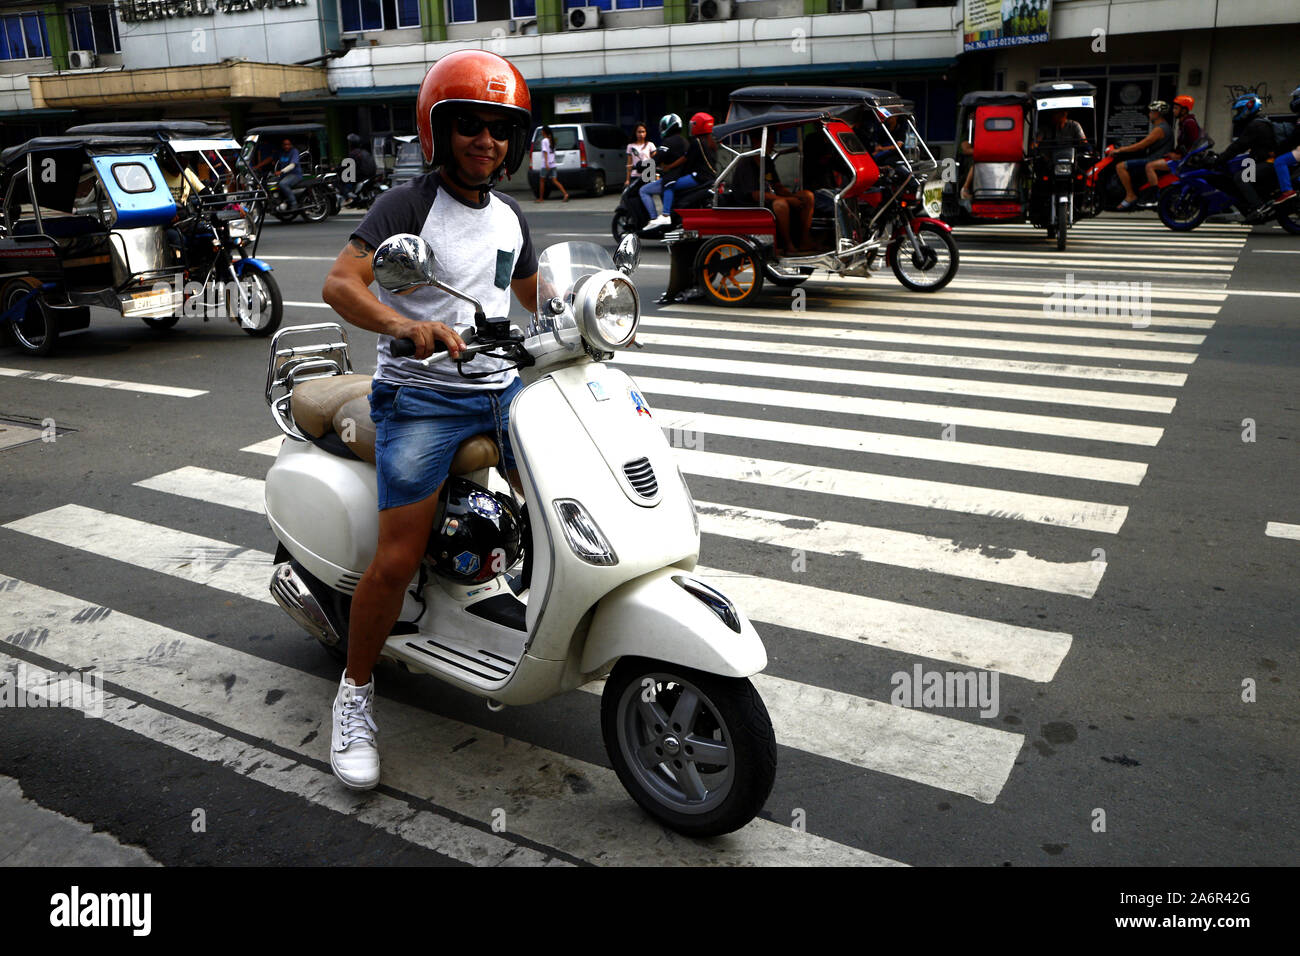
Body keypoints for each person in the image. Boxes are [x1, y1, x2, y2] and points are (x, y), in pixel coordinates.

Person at [319, 49, 538, 791]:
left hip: (502, 388)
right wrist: (401, 324)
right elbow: (340, 283)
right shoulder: (407, 209)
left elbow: (540, 299)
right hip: (423, 395)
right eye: (472, 127)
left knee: (565, 492)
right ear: (438, 133)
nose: (488, 142)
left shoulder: (511, 218)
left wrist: (591, 320)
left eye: (501, 130)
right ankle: (354, 693)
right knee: (397, 557)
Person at [731, 130, 815, 255]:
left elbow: (777, 185)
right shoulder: (746, 162)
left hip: (769, 199)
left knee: (807, 196)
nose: (773, 144)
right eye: (769, 140)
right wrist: (788, 200)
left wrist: (794, 197)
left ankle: (804, 240)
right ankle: (788, 246)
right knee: (780, 204)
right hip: (751, 205)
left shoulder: (767, 161)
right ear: (756, 141)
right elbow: (755, 194)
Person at [1214, 93, 1277, 219]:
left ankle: (1259, 207)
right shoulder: (1259, 122)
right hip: (1266, 160)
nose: (1237, 113)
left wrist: (1220, 159)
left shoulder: (1256, 125)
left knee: (1241, 177)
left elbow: (1238, 146)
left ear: (1248, 108)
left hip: (1270, 162)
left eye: (1239, 110)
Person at [649, 111, 716, 227]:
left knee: (669, 184)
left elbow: (686, 159)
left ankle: (666, 215)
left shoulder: (696, 142)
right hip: (709, 177)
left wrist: (669, 167)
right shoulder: (711, 142)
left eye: (693, 125)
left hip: (699, 177)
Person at [1113, 101, 1173, 210]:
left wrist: (1121, 150)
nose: (1149, 114)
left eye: (1151, 111)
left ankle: (1130, 195)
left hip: (1154, 159)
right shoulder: (1161, 127)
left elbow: (1142, 145)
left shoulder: (1160, 129)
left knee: (1120, 166)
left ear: (1158, 113)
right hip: (1154, 158)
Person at [1143, 95, 1200, 190]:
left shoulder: (1189, 123)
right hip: (1181, 157)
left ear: (1184, 110)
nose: (1173, 110)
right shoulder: (1183, 122)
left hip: (1184, 160)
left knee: (1150, 166)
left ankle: (1153, 196)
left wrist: (1179, 156)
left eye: (1176, 108)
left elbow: (1194, 143)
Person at [639, 113, 688, 220]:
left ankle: (654, 219)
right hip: (681, 175)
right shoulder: (684, 141)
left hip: (672, 177)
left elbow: (657, 159)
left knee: (643, 190)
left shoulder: (668, 142)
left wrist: (641, 165)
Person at [340, 133, 378, 205]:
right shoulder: (364, 152)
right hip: (370, 174)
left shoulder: (354, 153)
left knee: (343, 179)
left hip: (361, 175)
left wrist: (338, 168)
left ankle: (349, 196)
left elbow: (348, 165)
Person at [535, 126, 569, 203]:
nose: (541, 132)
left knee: (542, 181)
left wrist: (546, 163)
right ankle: (565, 194)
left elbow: (545, 152)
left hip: (546, 164)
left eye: (542, 131)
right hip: (553, 164)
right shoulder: (552, 141)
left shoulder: (544, 141)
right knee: (555, 180)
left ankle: (541, 198)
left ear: (544, 132)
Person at [271, 138, 303, 212]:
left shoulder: (294, 152)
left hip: (295, 175)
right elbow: (272, 158)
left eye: (288, 144)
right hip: (284, 175)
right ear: (282, 145)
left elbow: (292, 165)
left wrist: (281, 171)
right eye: (285, 144)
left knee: (283, 184)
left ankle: (294, 203)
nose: (286, 146)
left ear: (291, 145)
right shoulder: (281, 152)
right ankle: (278, 202)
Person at [624, 122, 655, 191]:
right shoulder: (630, 146)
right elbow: (629, 164)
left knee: (646, 196)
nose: (641, 134)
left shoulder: (650, 145)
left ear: (646, 133)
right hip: (635, 175)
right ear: (635, 133)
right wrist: (627, 180)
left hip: (647, 176)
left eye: (643, 132)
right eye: (639, 132)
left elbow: (655, 161)